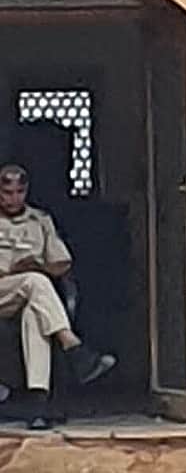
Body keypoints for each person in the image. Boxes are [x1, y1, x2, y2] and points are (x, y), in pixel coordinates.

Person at [0, 164, 116, 429]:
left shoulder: (40, 221)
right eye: (7, 192)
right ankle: (74, 347)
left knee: (35, 314)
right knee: (36, 284)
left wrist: (37, 266)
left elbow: (62, 263)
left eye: (19, 191)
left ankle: (37, 406)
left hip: (26, 293)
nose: (13, 198)